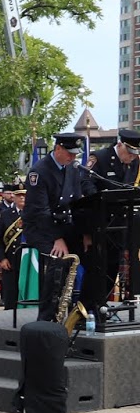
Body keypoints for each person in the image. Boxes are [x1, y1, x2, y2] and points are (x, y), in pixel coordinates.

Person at [23, 131, 97, 319]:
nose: (73, 157)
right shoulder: (39, 172)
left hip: (64, 224)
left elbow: (77, 201)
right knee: (60, 261)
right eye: (70, 153)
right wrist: (57, 238)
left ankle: (85, 307)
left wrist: (86, 234)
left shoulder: (71, 168)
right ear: (58, 149)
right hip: (41, 228)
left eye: (75, 154)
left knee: (95, 256)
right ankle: (48, 316)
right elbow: (40, 211)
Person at [81, 129, 139, 309]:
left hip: (120, 226)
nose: (132, 157)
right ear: (120, 145)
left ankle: (102, 307)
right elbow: (85, 182)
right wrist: (99, 198)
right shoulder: (100, 158)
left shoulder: (133, 163)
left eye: (135, 153)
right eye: (129, 152)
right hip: (100, 224)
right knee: (96, 269)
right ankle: (87, 309)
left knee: (113, 267)